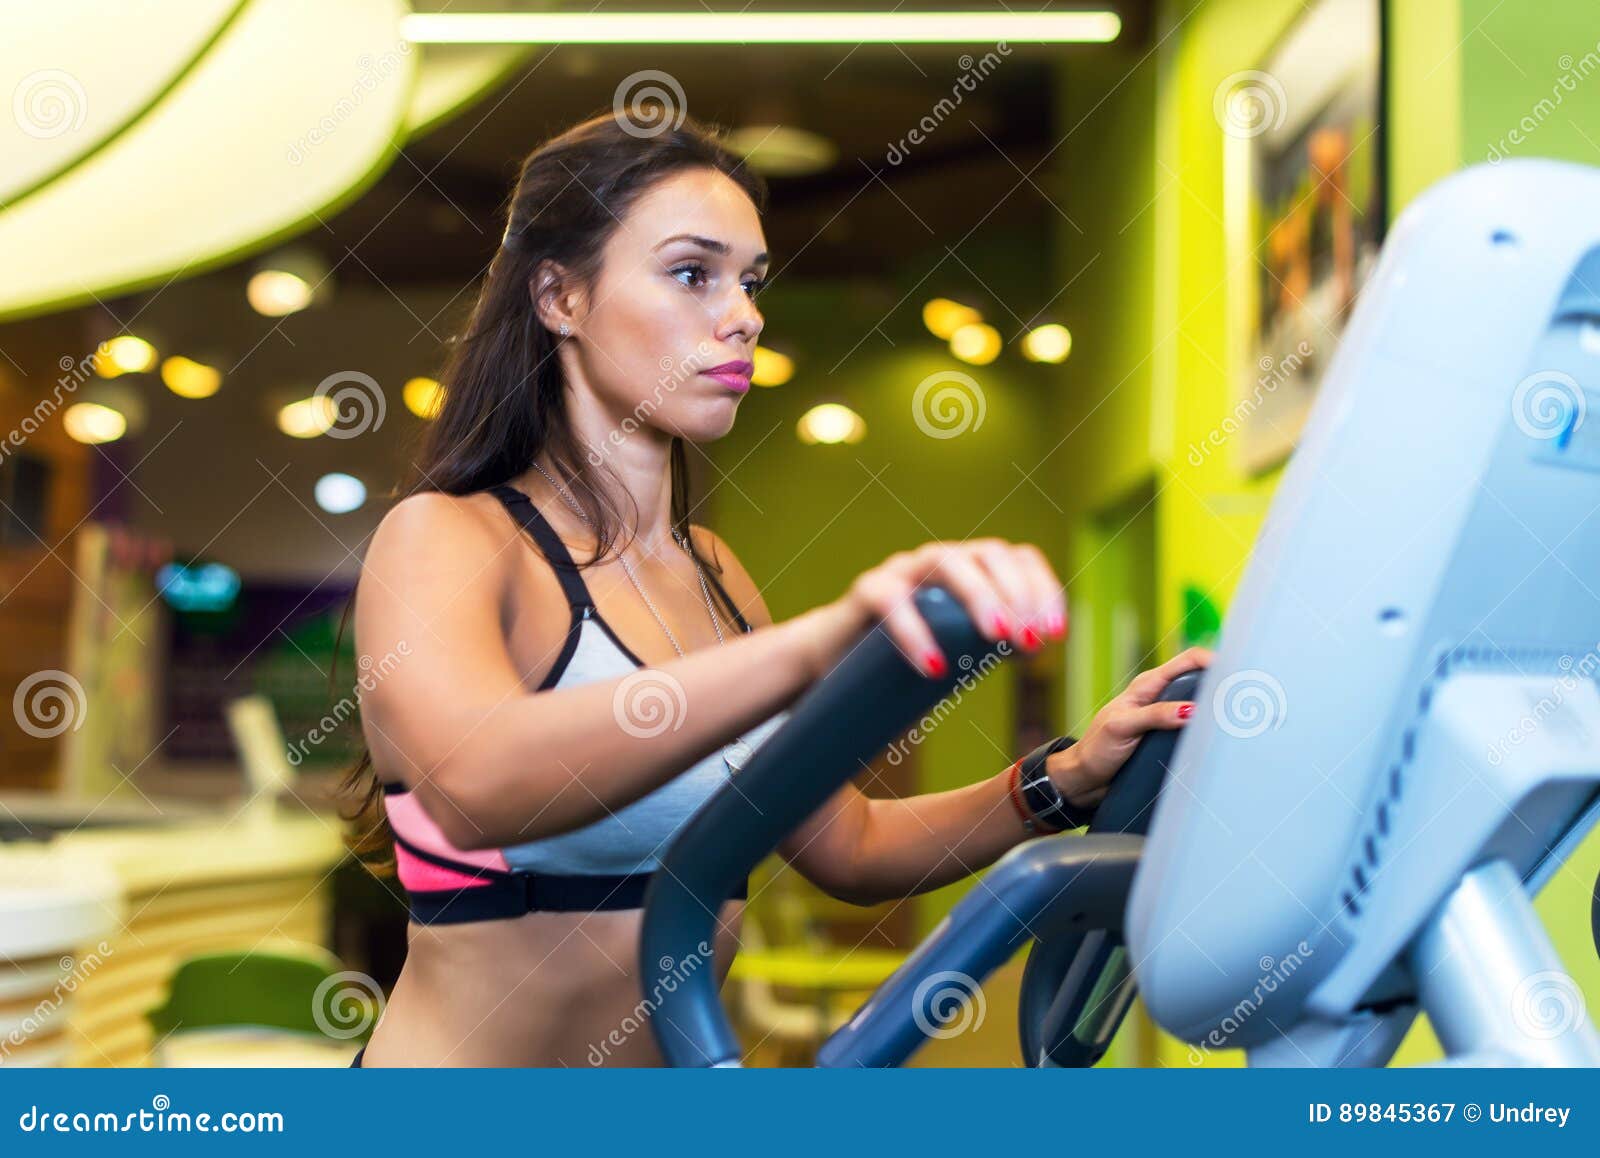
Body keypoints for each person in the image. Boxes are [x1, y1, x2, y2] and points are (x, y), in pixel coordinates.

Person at [340, 111, 1210, 1066]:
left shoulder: (712, 577)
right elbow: (477, 786)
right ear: (560, 297)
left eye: (751, 281)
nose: (745, 313)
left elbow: (853, 847)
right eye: (691, 273)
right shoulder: (449, 538)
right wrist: (820, 645)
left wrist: (1064, 778)